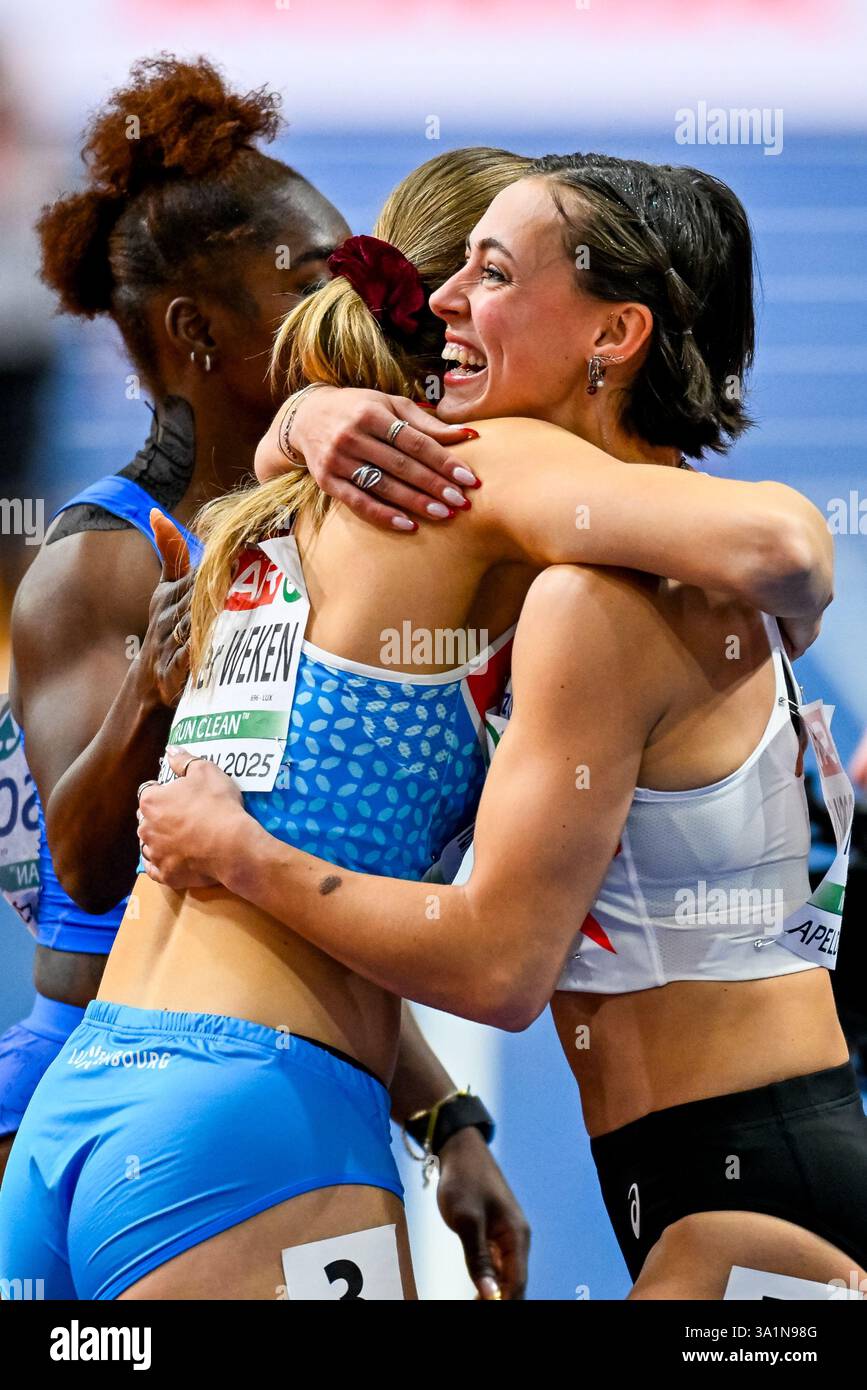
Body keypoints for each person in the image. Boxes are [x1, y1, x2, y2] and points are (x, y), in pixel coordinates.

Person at [0, 150, 834, 1302]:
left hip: (82, 1114)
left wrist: (300, 416)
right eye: (471, 270)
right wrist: (800, 603)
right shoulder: (474, 469)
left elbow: (109, 872)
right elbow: (782, 545)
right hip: (260, 1128)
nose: (447, 302)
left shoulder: (273, 505)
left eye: (496, 274)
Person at [0, 56, 531, 1296]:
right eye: (307, 280)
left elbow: (275, 910)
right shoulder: (106, 560)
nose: (349, 304)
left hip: (200, 1080)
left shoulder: (303, 526)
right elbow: (89, 866)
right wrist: (153, 688)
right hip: (117, 1100)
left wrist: (446, 1117)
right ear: (195, 332)